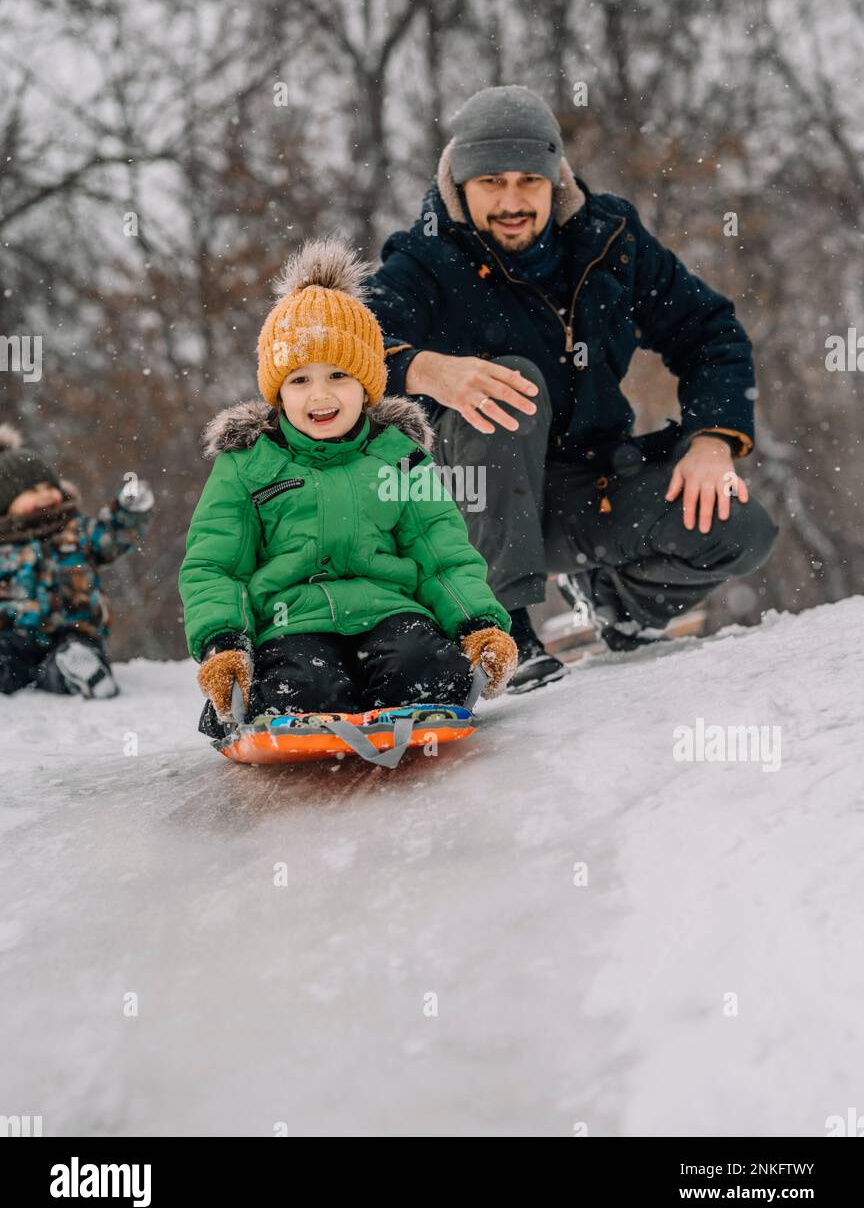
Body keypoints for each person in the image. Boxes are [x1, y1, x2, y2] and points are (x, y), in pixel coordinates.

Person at [366, 84, 779, 692]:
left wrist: (713, 440)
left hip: (580, 492)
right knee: (514, 382)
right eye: (492, 183)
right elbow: (344, 350)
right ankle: (497, 621)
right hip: (466, 509)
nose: (513, 201)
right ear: (459, 183)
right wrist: (427, 369)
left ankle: (620, 602)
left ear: (555, 177)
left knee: (737, 525)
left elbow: (710, 331)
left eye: (528, 181)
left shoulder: (609, 241)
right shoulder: (424, 261)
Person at [179, 239, 517, 740]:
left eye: (339, 375)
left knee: (425, 671)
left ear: (368, 384)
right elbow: (215, 565)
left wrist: (476, 625)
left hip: (392, 615)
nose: (320, 395)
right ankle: (285, 707)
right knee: (306, 688)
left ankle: (408, 697)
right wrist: (223, 643)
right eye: (299, 380)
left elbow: (441, 556)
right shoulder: (248, 465)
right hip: (290, 624)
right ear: (277, 393)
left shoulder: (398, 458)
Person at [0, 426, 154, 698]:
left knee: (75, 652)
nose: (46, 494)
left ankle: (82, 673)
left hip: (73, 630)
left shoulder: (76, 530)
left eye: (50, 486)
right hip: (16, 635)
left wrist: (128, 513)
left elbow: (112, 537)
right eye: (33, 490)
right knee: (7, 659)